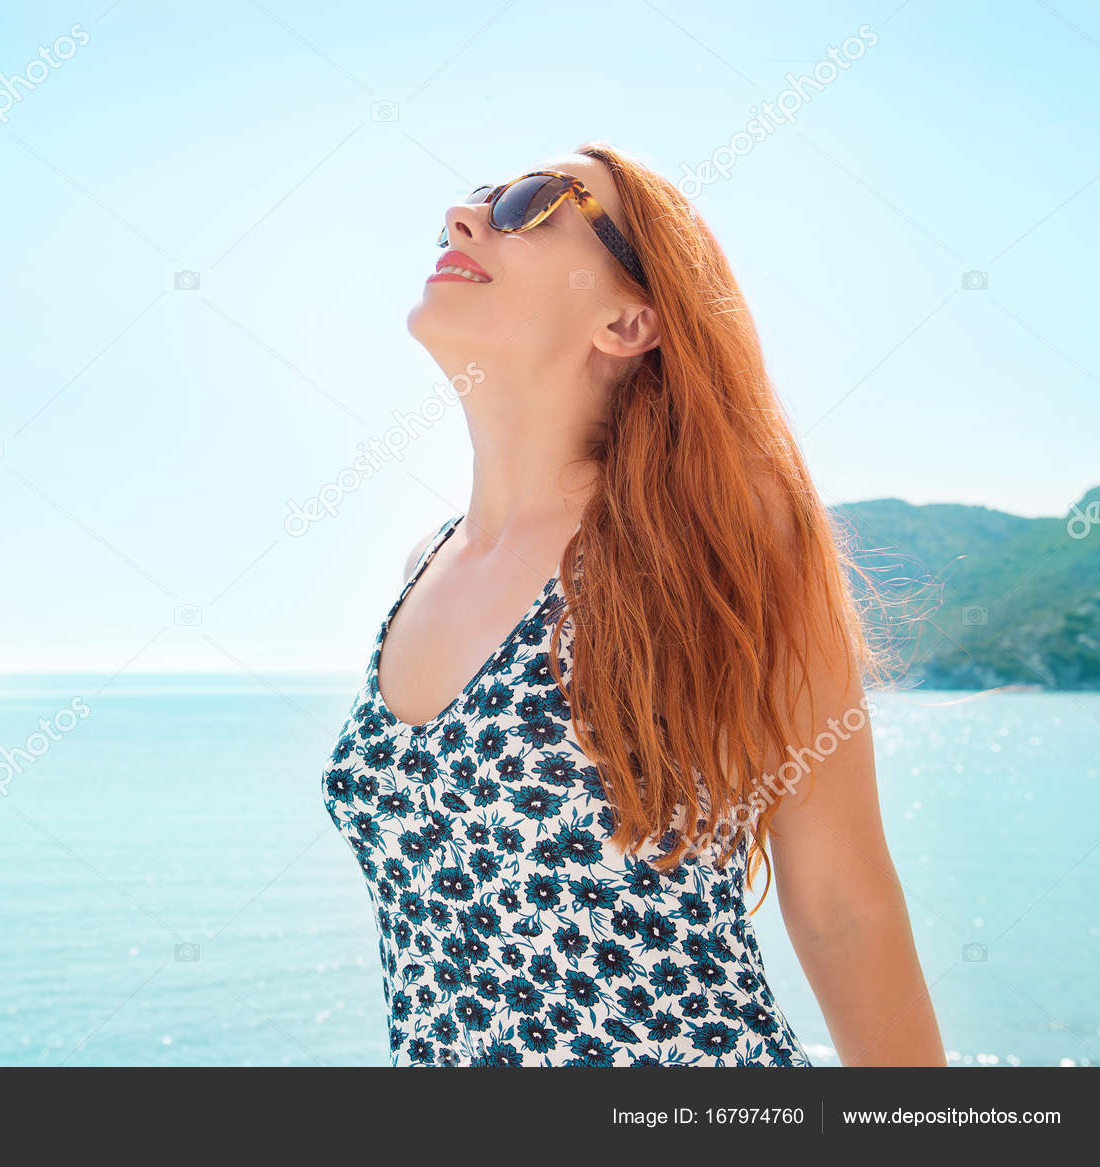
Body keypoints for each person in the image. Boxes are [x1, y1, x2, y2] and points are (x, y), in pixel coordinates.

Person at [321, 142, 945, 1066]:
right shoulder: (425, 564)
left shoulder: (718, 546)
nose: (463, 216)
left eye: (531, 202)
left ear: (628, 320)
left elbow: (842, 905)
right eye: (476, 198)